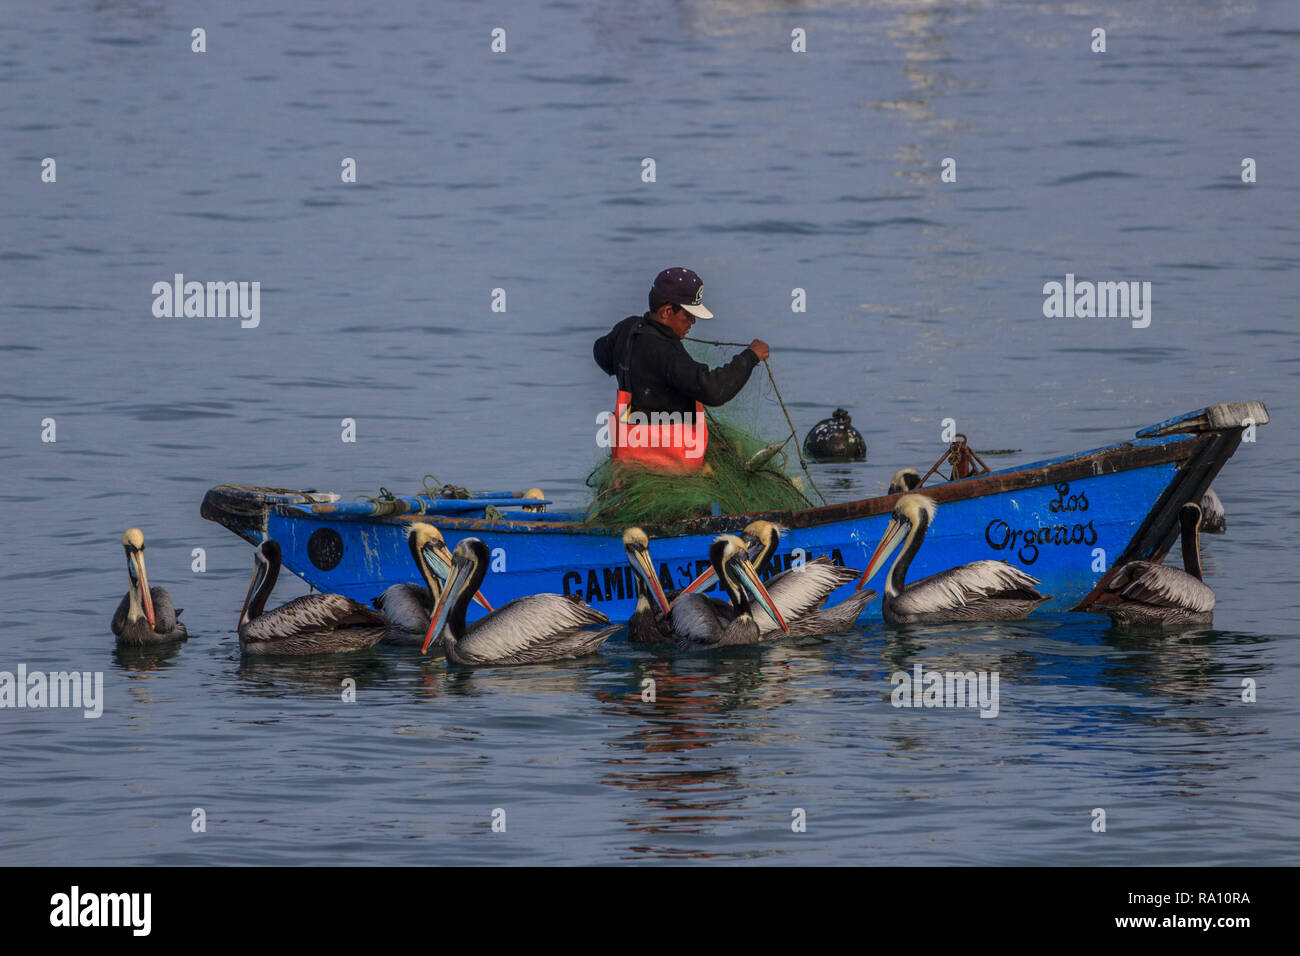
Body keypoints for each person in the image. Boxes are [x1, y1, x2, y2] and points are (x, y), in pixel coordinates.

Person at [593, 267, 769, 472]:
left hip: (628, 452)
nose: (693, 322)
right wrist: (750, 357)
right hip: (669, 456)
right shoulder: (667, 353)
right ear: (667, 311)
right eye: (688, 316)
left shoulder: (628, 328)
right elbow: (714, 390)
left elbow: (600, 353)